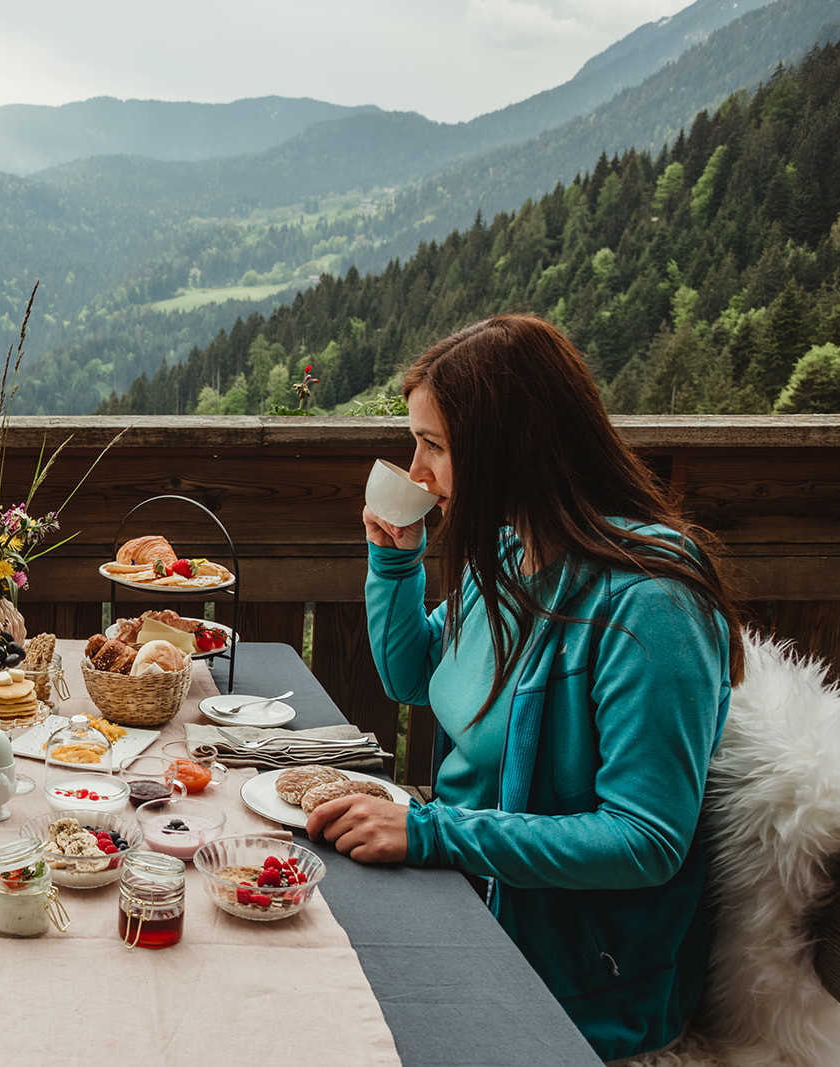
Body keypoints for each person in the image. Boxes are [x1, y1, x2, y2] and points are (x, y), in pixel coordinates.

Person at [308, 315, 744, 1062]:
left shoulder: (652, 605)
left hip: (572, 976)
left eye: (435, 446)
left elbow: (646, 840)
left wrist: (433, 833)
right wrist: (395, 562)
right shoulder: (512, 552)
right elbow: (414, 676)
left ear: (510, 448)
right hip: (464, 889)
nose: (416, 473)